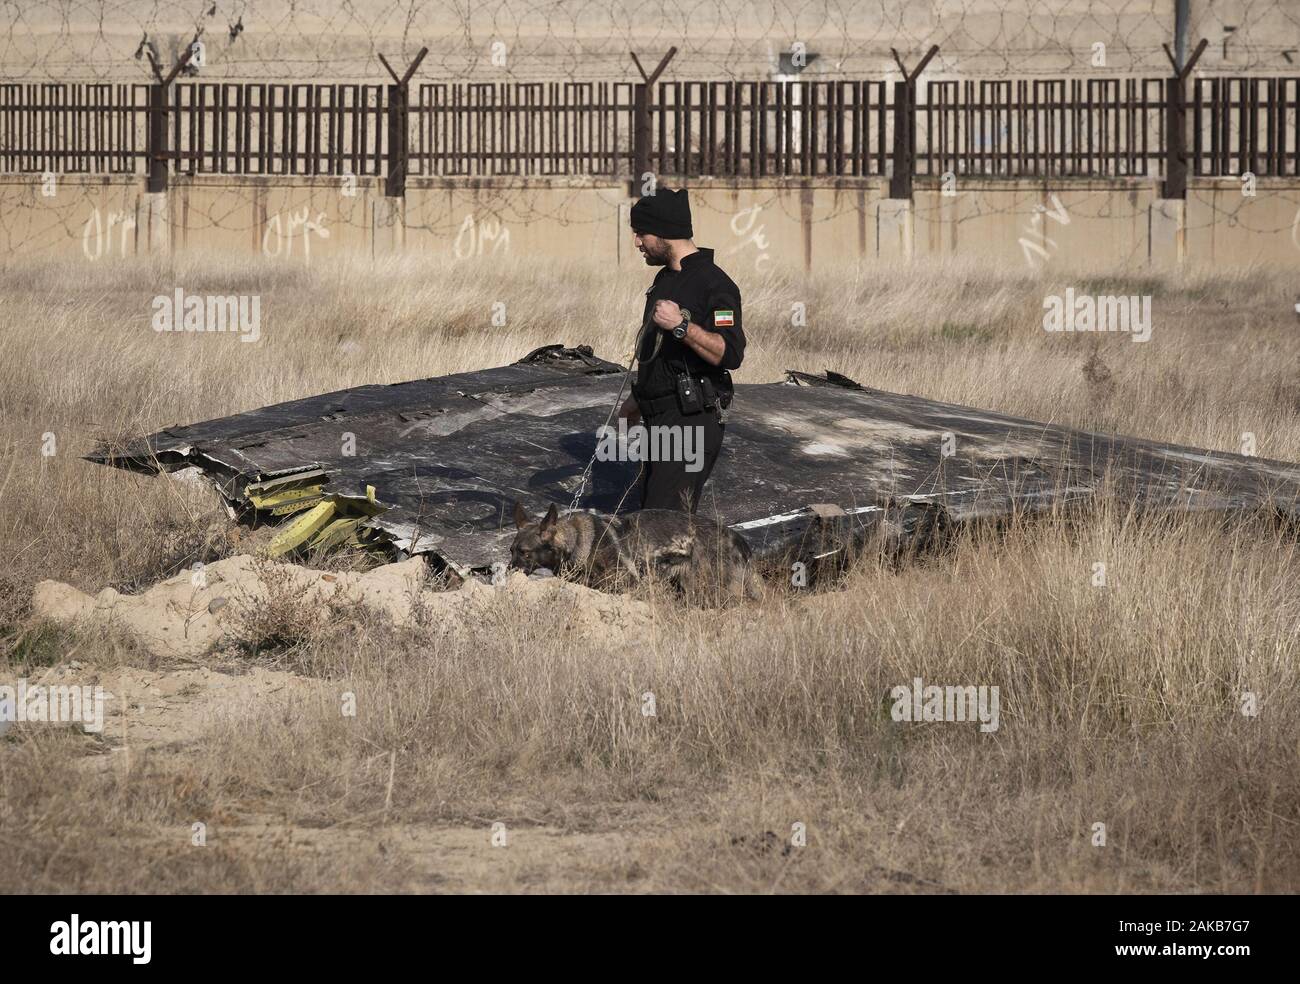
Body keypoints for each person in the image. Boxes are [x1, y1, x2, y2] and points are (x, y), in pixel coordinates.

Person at [619, 187, 745, 512]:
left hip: (692, 419)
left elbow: (729, 354)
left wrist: (681, 326)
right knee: (652, 513)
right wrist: (638, 399)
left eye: (641, 233)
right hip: (660, 416)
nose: (637, 243)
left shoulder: (716, 285)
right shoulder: (664, 279)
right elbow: (661, 355)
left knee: (662, 523)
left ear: (664, 232)